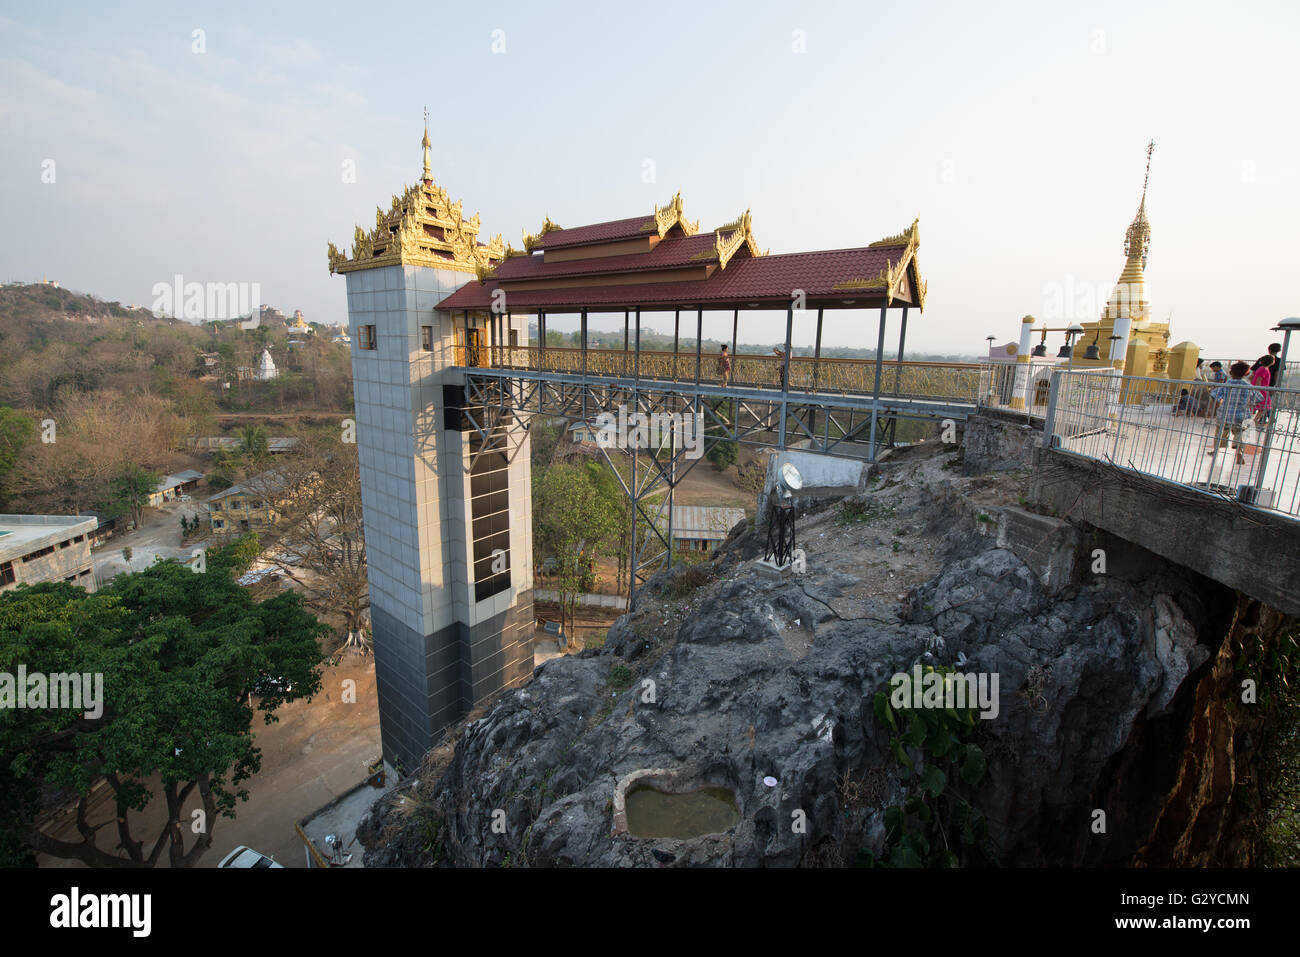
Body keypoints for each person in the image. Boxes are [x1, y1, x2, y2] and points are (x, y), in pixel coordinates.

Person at [1209, 361, 1264, 465]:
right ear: (1246, 374)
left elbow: (1214, 394)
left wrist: (1214, 407)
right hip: (1241, 415)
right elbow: (1259, 398)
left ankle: (1216, 451)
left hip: (1224, 414)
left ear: (1230, 373)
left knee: (1220, 433)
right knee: (1241, 435)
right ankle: (1239, 454)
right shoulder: (1248, 386)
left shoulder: (1227, 385)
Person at [1249, 354, 1275, 425]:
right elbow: (1259, 379)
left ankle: (1255, 419)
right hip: (1261, 390)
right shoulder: (1263, 369)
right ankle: (1255, 420)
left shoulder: (1263, 368)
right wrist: (1258, 389)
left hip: (1262, 389)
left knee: (1263, 406)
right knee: (1265, 405)